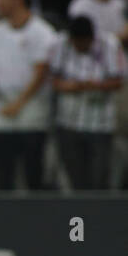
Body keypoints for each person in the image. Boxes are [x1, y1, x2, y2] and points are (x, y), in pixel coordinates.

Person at [0, 0, 57, 190]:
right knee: (2, 168)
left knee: (33, 168)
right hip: (2, 101)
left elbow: (41, 72)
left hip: (32, 102)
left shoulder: (42, 32)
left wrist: (20, 103)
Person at [48, 15, 124, 190]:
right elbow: (53, 80)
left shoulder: (110, 44)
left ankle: (98, 215)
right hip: (68, 121)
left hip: (100, 123)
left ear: (92, 38)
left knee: (99, 178)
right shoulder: (61, 44)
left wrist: (96, 85)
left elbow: (118, 81)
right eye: (77, 43)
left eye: (84, 43)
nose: (80, 47)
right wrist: (72, 86)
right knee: (74, 177)